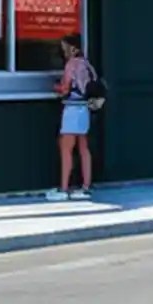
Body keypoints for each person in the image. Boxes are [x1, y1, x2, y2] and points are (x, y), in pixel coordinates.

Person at [48, 33, 95, 201]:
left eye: (64, 47)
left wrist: (56, 87)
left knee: (66, 149)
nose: (63, 51)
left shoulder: (71, 65)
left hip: (72, 109)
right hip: (85, 110)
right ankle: (86, 187)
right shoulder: (86, 64)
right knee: (84, 148)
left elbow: (66, 88)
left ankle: (64, 188)